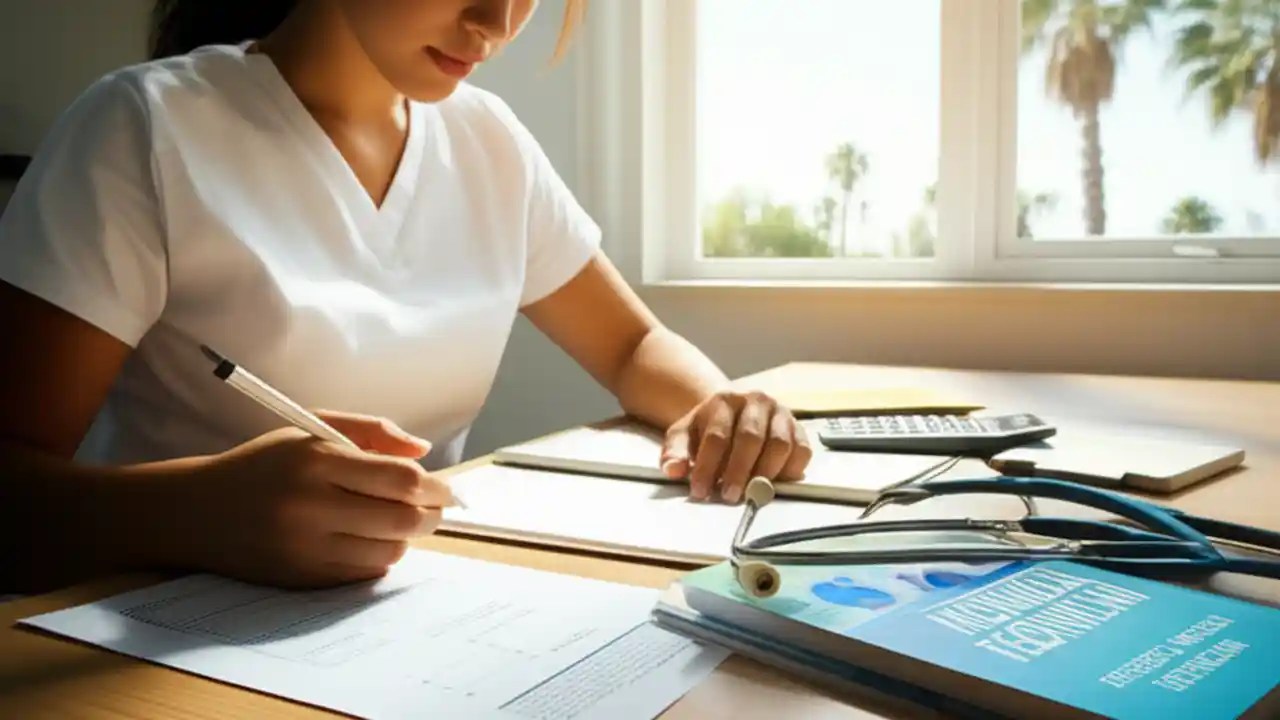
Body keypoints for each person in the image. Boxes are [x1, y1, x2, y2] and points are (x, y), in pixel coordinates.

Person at [0, 0, 812, 594]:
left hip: (412, 613)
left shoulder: (487, 140)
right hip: (146, 636)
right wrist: (197, 516)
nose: (496, 22)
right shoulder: (143, 128)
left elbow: (634, 347)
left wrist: (721, 402)